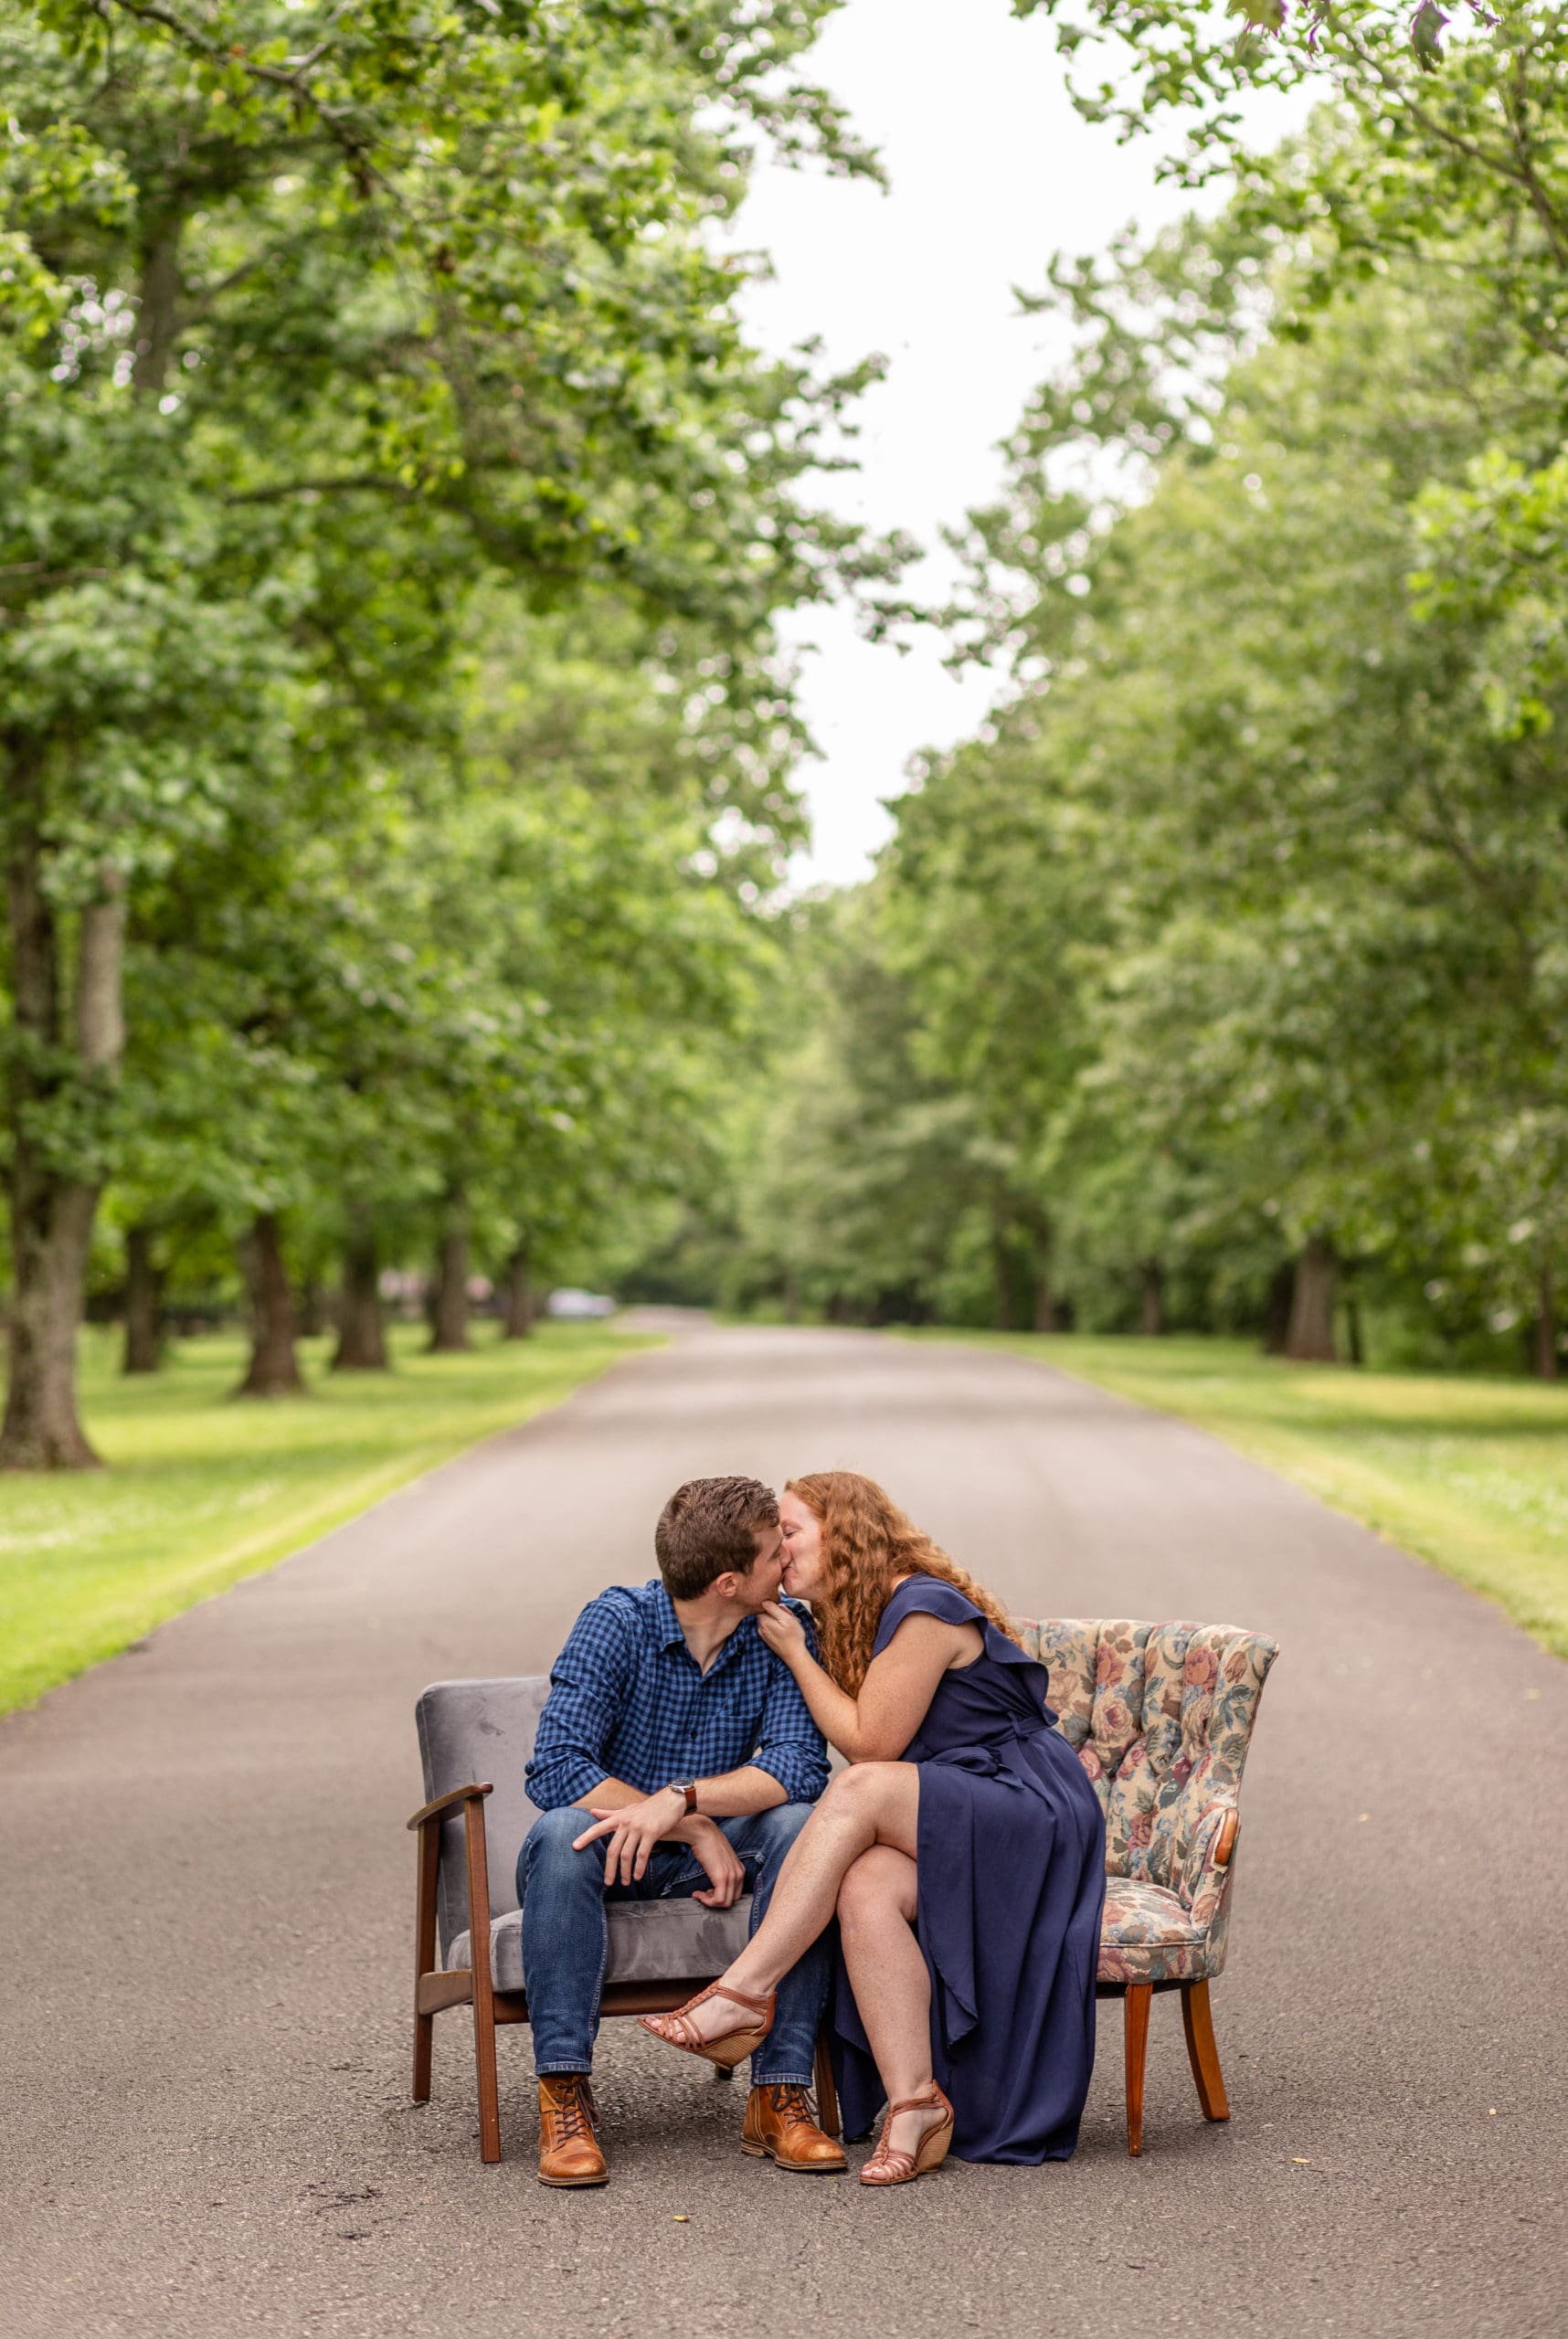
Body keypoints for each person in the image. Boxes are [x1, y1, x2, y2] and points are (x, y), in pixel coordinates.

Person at [641, 1470, 1106, 2186]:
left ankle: (743, 1994)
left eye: (791, 1532)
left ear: (845, 1534)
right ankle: (916, 2104)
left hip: (1024, 1807)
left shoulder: (922, 1608)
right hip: (954, 1807)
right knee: (864, 1889)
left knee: (857, 1786)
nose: (779, 1548)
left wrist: (796, 1654)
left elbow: (872, 1746)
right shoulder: (849, 1617)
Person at [518, 1475, 844, 2186]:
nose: (786, 1563)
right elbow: (556, 1767)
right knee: (558, 1833)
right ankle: (563, 2094)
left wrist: (689, 1800)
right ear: (730, 1581)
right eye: (773, 1553)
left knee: (804, 1827)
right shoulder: (617, 1622)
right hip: (615, 1856)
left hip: (727, 1859)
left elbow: (798, 1766)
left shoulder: (780, 1633)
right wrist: (689, 1823)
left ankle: (780, 2094)